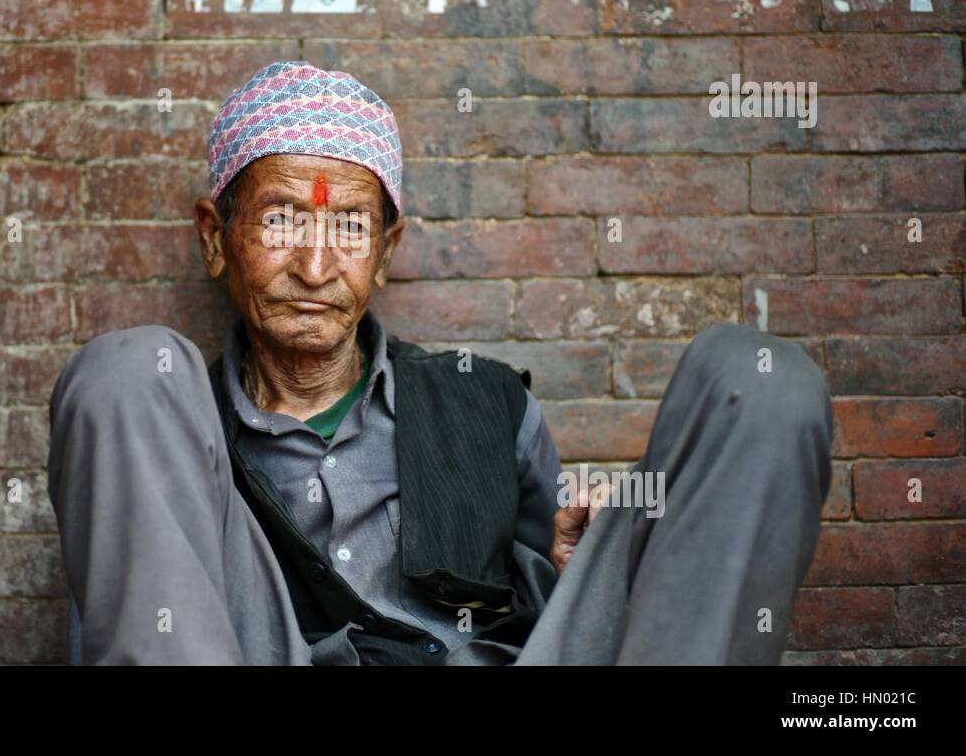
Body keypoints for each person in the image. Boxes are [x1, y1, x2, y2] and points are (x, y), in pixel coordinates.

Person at [47, 60, 834, 665]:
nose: (316, 267)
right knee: (127, 369)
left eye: (351, 227)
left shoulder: (486, 403)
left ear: (386, 251)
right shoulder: (170, 428)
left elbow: (561, 610)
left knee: (755, 379)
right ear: (215, 237)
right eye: (282, 220)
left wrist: (564, 565)